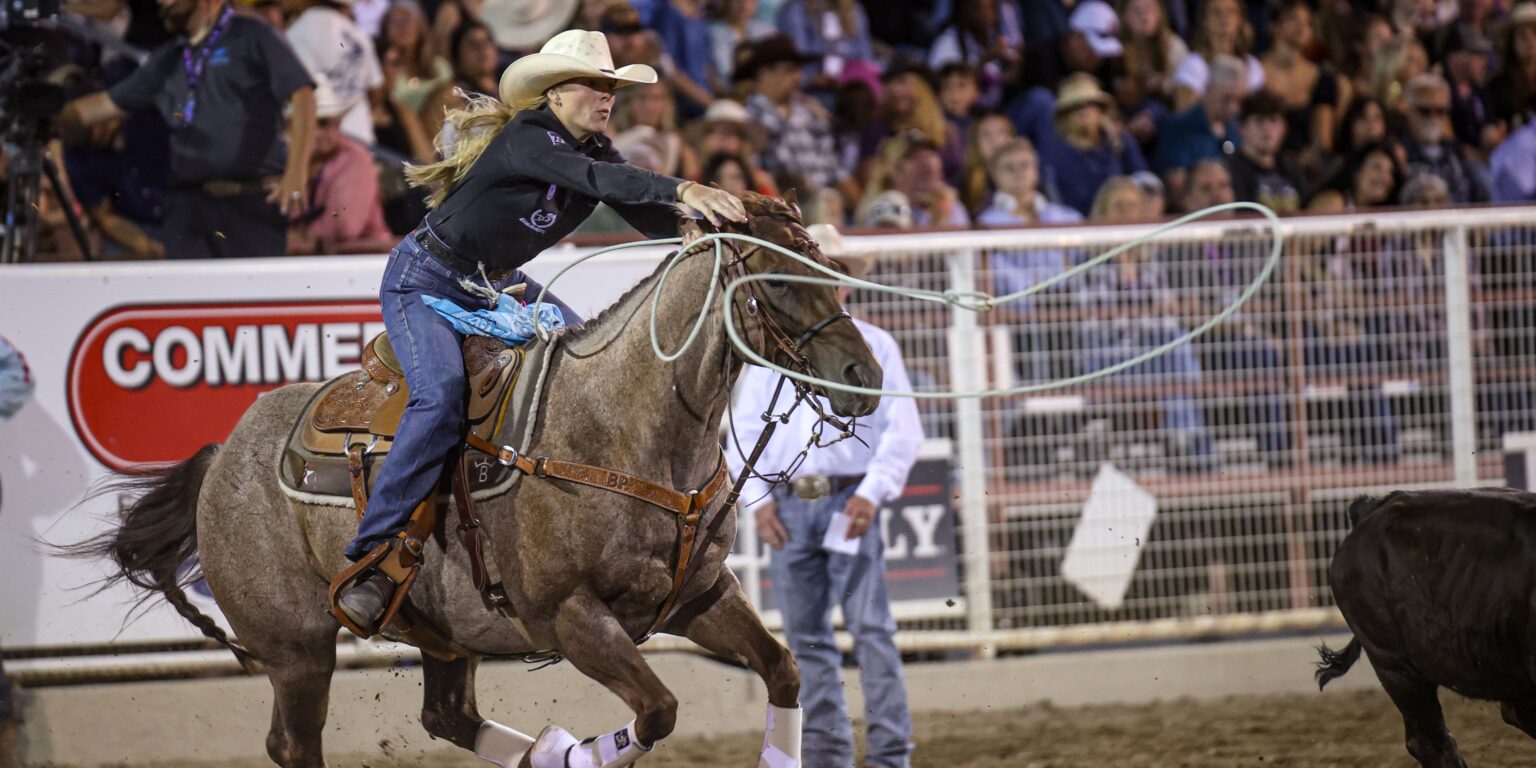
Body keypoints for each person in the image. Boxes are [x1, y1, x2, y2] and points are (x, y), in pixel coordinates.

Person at [335, 29, 748, 629]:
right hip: (423, 282)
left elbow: (636, 203)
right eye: (593, 85)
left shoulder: (592, 152)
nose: (606, 97)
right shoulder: (530, 138)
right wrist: (685, 187)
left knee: (586, 371)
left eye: (611, 88)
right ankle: (372, 553)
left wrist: (692, 228)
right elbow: (608, 184)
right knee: (440, 394)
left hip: (498, 284)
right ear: (554, 94)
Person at [728, 223, 921, 768]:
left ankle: (886, 754)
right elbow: (744, 432)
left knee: (863, 632)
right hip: (795, 504)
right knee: (819, 638)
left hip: (843, 499)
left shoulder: (876, 345)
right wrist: (759, 502)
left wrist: (872, 494)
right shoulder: (778, 353)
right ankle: (834, 754)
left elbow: (901, 431)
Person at [62, 0, 316, 259]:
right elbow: (99, 107)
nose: (160, 2)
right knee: (186, 297)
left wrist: (296, 171)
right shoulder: (168, 58)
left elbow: (302, 93)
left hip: (250, 205)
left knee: (247, 296)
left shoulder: (251, 33)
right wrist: (44, 114)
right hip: (187, 208)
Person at [289, 78, 394, 254]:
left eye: (335, 123)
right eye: (321, 123)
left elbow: (344, 226)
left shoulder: (355, 158)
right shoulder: (288, 160)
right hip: (313, 260)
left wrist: (292, 238)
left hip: (356, 262)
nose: (330, 131)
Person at [740, 36, 854, 199]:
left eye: (798, 70)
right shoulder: (749, 116)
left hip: (824, 201)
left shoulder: (811, 113)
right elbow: (755, 174)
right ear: (764, 73)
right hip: (780, 205)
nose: (798, 77)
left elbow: (834, 168)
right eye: (790, 70)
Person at [1035, 72, 1148, 217]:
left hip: (1124, 222)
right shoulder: (1053, 155)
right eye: (1075, 107)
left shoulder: (1120, 143)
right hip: (1078, 230)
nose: (1084, 111)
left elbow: (1145, 181)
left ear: (1101, 111)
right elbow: (1054, 202)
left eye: (1090, 104)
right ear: (1063, 117)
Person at [283, 0, 383, 144]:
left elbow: (296, 91)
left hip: (316, 143)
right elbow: (376, 89)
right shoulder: (360, 36)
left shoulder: (302, 29)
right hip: (359, 140)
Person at [1154, 54, 1245, 202]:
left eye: (1239, 100)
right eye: (1227, 98)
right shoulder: (1178, 127)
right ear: (1208, 89)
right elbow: (1176, 189)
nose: (1234, 108)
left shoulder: (1234, 128)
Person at [1399, 73, 1488, 203]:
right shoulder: (1398, 153)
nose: (1433, 118)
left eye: (1440, 111)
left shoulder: (1456, 154)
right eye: (1425, 111)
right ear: (1409, 111)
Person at [1226, 90, 1302, 214]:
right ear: (1242, 128)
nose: (1267, 128)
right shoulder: (1230, 169)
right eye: (1259, 120)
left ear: (1283, 128)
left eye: (1273, 120)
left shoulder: (1290, 166)